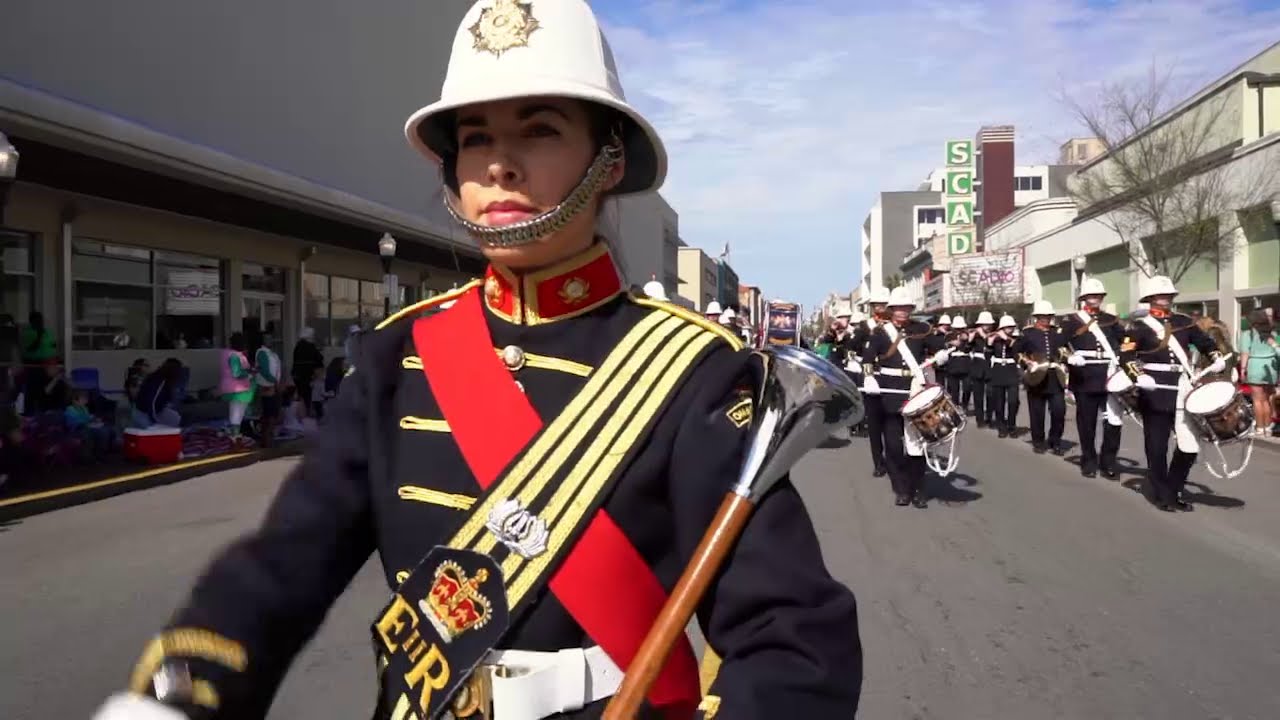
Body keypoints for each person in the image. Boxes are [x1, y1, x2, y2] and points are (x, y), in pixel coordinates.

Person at [92, 3, 861, 719]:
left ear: (608, 162)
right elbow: (281, 567)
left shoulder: (694, 371)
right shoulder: (399, 355)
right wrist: (177, 698)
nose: (500, 165)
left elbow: (793, 639)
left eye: (540, 130)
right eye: (477, 138)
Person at [1120, 276, 1226, 512]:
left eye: (1168, 294)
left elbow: (1205, 343)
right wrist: (1138, 376)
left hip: (1182, 388)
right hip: (1154, 390)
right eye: (1160, 294)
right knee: (1157, 448)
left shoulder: (1183, 322)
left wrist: (1216, 357)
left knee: (1189, 446)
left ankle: (1173, 488)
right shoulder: (1138, 326)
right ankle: (1161, 494)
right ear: (1150, 298)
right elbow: (1125, 356)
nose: (1165, 298)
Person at [862, 287, 935, 508]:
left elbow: (936, 348)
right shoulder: (881, 332)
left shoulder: (921, 329)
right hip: (890, 391)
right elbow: (868, 358)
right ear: (892, 310)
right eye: (898, 308)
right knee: (893, 446)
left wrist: (940, 356)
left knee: (917, 445)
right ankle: (901, 489)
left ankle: (918, 489)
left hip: (915, 390)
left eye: (906, 307)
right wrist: (869, 378)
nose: (903, 311)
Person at [1059, 278, 1125, 478]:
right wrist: (1069, 357)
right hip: (1084, 375)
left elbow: (1125, 343)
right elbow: (1059, 345)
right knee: (1087, 423)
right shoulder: (1072, 320)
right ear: (1084, 298)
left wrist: (1124, 361)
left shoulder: (1111, 320)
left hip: (1109, 375)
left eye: (1098, 295)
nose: (1095, 298)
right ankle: (1088, 460)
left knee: (1113, 421)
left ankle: (1108, 461)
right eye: (1091, 295)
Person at [1017, 300, 1067, 455]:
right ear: (1037, 317)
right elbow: (1017, 352)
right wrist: (1027, 363)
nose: (1046, 319)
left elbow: (1064, 349)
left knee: (1059, 410)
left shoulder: (1057, 333)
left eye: (1048, 316)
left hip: (1055, 375)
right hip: (1036, 375)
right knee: (1037, 412)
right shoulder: (1028, 333)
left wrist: (1065, 360)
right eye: (1042, 316)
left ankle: (1055, 440)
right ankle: (1038, 441)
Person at [851, 288, 890, 474]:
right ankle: (878, 462)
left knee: (893, 422)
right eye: (877, 305)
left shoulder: (895, 326)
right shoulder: (865, 326)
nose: (880, 308)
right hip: (871, 376)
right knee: (874, 422)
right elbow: (852, 346)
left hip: (892, 378)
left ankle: (893, 458)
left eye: (883, 305)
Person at [1238, 308, 1277, 436]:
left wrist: (1243, 370)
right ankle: (1268, 427)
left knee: (1257, 400)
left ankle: (1260, 428)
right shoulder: (1273, 334)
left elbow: (1245, 353)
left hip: (1255, 366)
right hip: (1270, 367)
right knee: (1266, 399)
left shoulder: (1248, 334)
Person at [987, 315, 1021, 439]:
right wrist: (989, 344)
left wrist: (1006, 338)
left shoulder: (1017, 339)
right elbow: (987, 356)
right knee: (999, 402)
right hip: (998, 371)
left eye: (1011, 327)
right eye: (1007, 327)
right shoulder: (996, 339)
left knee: (1013, 401)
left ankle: (1012, 425)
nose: (1010, 329)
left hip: (1011, 371)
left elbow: (1017, 350)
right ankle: (1001, 426)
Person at [219, 333, 255, 443]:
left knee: (236, 414)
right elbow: (237, 373)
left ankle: (235, 435)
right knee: (236, 415)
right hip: (237, 389)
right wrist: (250, 373)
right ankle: (235, 437)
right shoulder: (234, 356)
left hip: (235, 389)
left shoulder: (230, 354)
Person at [132, 359, 184, 428]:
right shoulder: (158, 381)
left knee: (175, 418)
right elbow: (151, 402)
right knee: (153, 430)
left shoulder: (165, 381)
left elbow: (167, 401)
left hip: (153, 411)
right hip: (144, 413)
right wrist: (155, 420)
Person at [253, 333, 282, 448]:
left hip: (273, 386)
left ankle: (269, 437)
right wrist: (275, 382)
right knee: (269, 414)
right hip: (266, 386)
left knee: (273, 413)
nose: (270, 340)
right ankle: (266, 439)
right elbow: (264, 371)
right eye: (267, 339)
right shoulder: (261, 352)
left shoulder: (272, 354)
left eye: (270, 338)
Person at [968, 311, 995, 428]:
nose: (987, 326)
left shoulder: (993, 335)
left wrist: (984, 336)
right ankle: (980, 419)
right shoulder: (975, 336)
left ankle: (989, 417)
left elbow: (991, 349)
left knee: (991, 395)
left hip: (990, 367)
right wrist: (970, 339)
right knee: (978, 396)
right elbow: (967, 349)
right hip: (977, 367)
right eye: (984, 324)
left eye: (988, 324)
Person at [944, 315, 971, 413]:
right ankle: (955, 406)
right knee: (954, 389)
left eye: (961, 328)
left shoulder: (967, 336)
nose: (959, 330)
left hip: (965, 364)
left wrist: (967, 340)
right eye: (957, 328)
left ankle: (965, 404)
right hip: (953, 363)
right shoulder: (949, 336)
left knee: (967, 387)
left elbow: (969, 348)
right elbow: (946, 346)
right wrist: (953, 342)